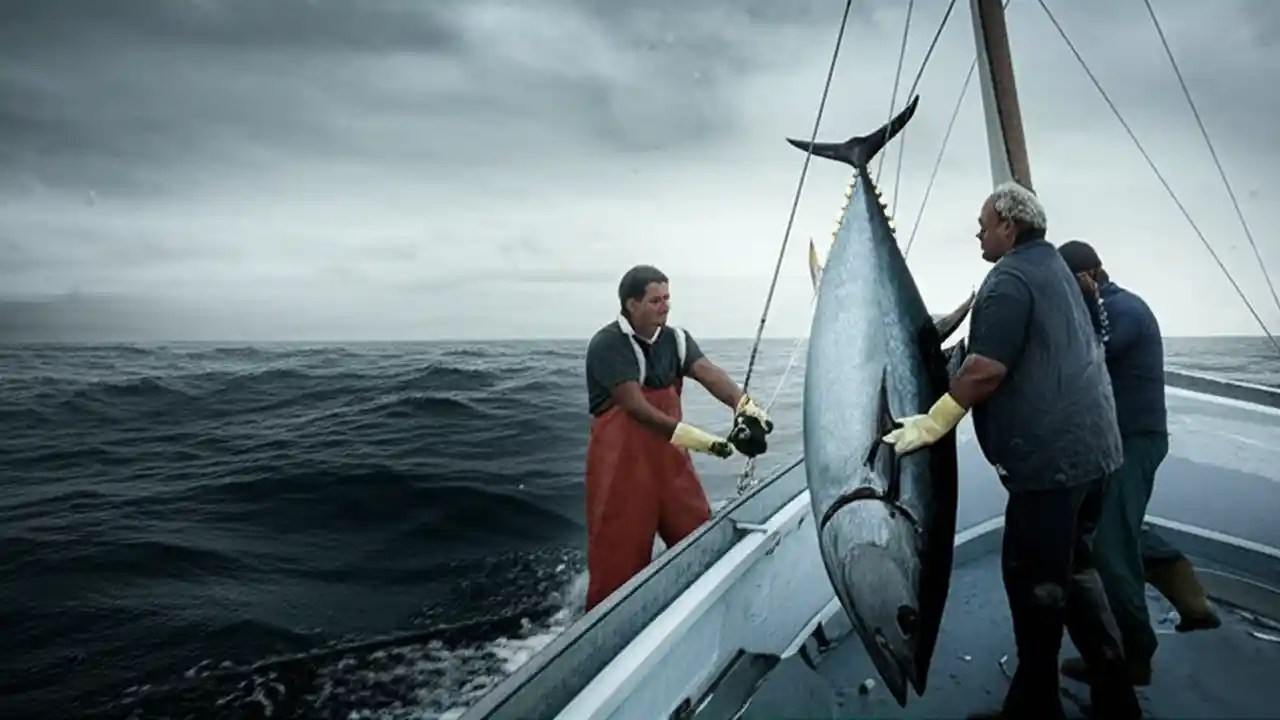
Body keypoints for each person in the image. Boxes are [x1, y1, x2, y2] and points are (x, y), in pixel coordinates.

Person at [881, 181, 1140, 719]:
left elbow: (986, 369)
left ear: (1008, 224)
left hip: (1050, 470)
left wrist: (933, 421)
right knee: (1076, 571)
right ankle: (1117, 697)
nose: (977, 233)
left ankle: (1035, 708)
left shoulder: (1009, 279)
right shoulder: (1059, 273)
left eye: (983, 224)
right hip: (1096, 458)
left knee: (1035, 586)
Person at [1057, 239, 1221, 686]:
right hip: (1112, 442)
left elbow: (1093, 355)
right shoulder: (1104, 309)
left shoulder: (1122, 309)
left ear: (1090, 276)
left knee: (1109, 546)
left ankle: (1134, 656)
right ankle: (1191, 599)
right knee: (1114, 527)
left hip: (1134, 442)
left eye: (1067, 285)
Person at [582, 264, 773, 611]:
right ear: (631, 305)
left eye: (667, 298)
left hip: (672, 466)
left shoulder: (677, 340)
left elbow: (708, 373)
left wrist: (745, 406)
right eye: (655, 300)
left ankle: (708, 611)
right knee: (617, 572)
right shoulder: (608, 344)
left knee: (699, 540)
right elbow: (636, 407)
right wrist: (702, 441)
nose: (665, 307)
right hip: (622, 475)